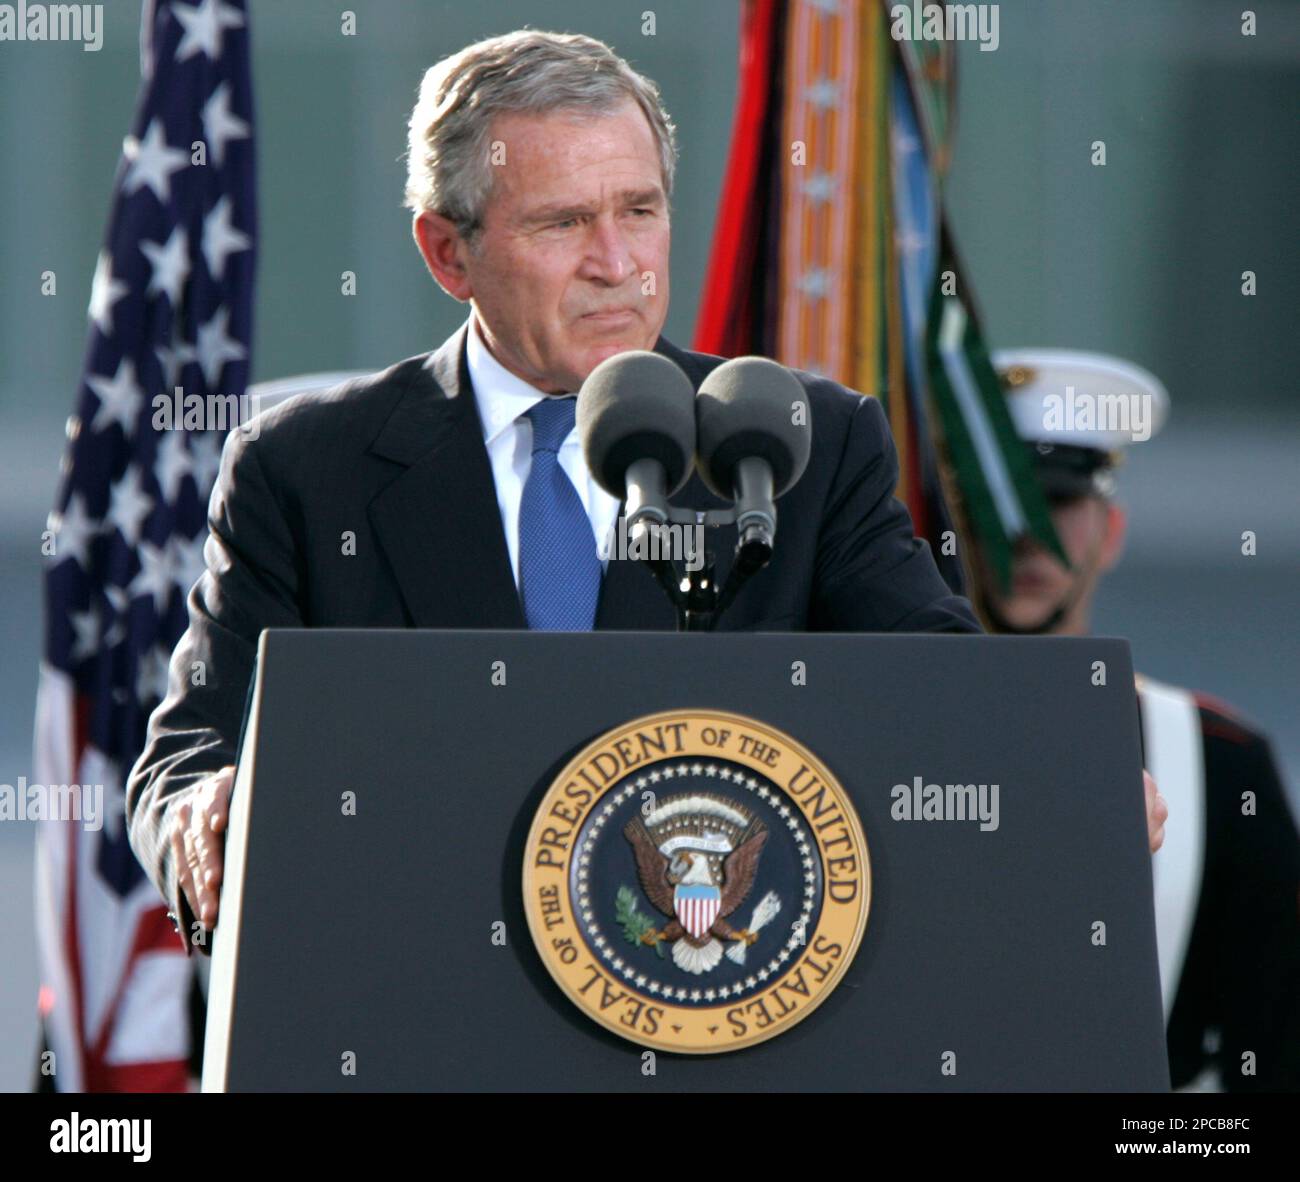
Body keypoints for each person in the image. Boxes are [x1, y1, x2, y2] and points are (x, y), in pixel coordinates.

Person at [125, 30, 1162, 965]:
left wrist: (1063, 762)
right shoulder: (306, 470)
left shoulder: (797, 441)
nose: (616, 264)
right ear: (448, 252)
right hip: (416, 1015)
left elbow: (943, 690)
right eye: (562, 222)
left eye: (640, 210)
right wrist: (201, 814)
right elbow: (187, 754)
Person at [981, 347, 1300, 1091]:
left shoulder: (1221, 761)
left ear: (1112, 532)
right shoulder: (880, 742)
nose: (1026, 536)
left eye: (1054, 503)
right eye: (996, 503)